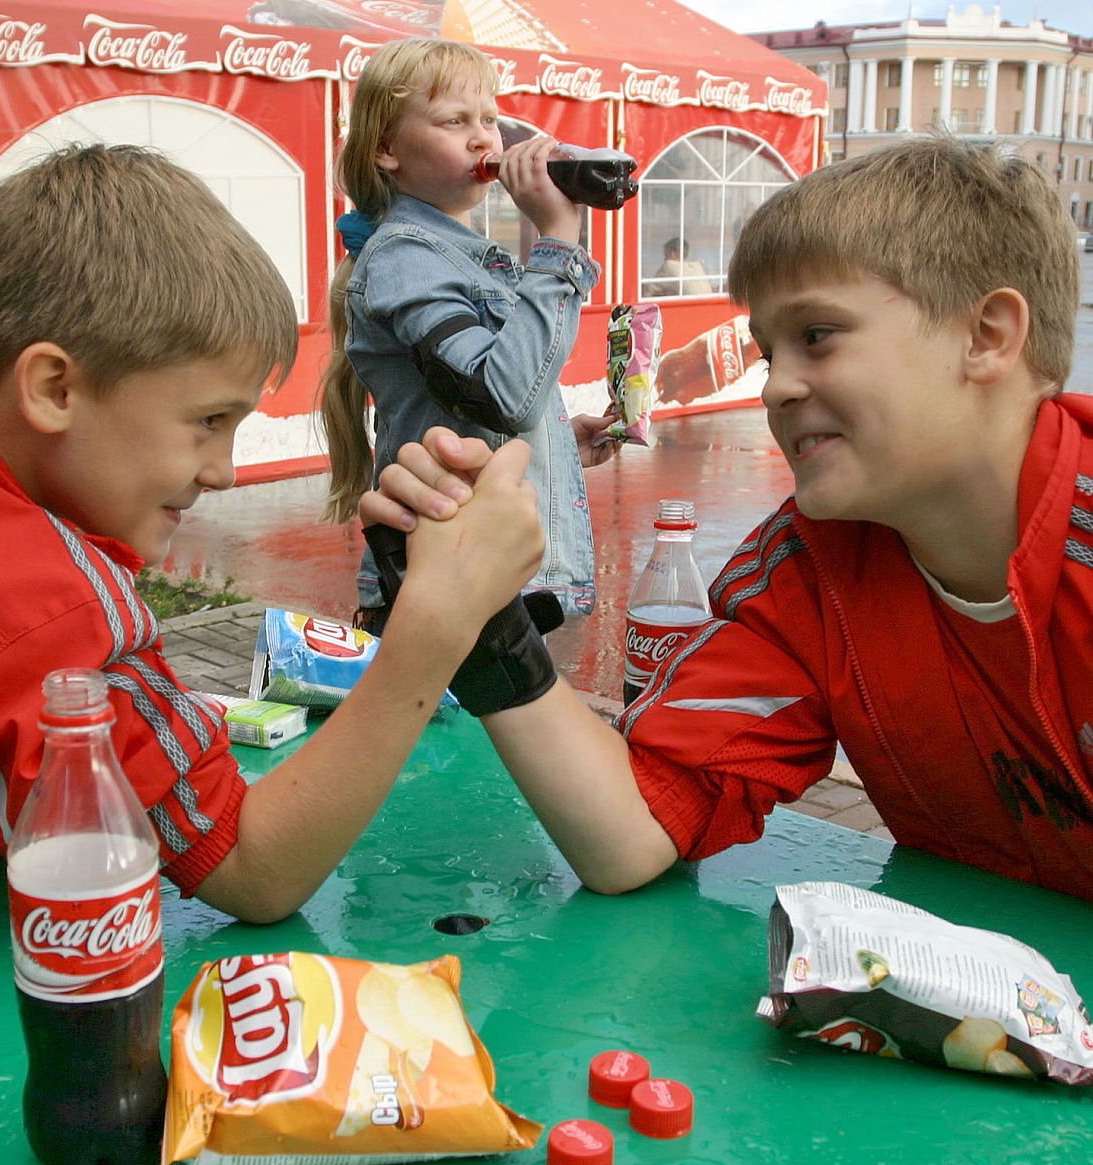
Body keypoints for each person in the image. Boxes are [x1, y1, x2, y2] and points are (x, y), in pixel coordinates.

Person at [362, 136, 1093, 904]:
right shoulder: (803, 577)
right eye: (770, 355)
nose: (775, 389)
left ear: (987, 337)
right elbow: (634, 831)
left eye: (817, 337)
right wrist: (482, 618)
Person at [0, 143, 544, 924]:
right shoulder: (49, 607)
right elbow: (249, 865)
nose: (225, 472)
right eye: (208, 420)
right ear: (53, 387)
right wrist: (440, 622)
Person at [318, 36, 616, 634]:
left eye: (488, 118)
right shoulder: (406, 255)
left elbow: (482, 410)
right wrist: (558, 240)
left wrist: (554, 442)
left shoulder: (455, 256)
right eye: (454, 121)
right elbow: (503, 396)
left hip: (477, 574)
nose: (484, 139)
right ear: (386, 149)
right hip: (444, 580)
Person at [647, 237, 711, 297]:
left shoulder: (669, 265)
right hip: (708, 302)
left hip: (689, 304)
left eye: (665, 255)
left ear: (672, 254)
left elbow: (650, 290)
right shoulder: (697, 266)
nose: (664, 259)